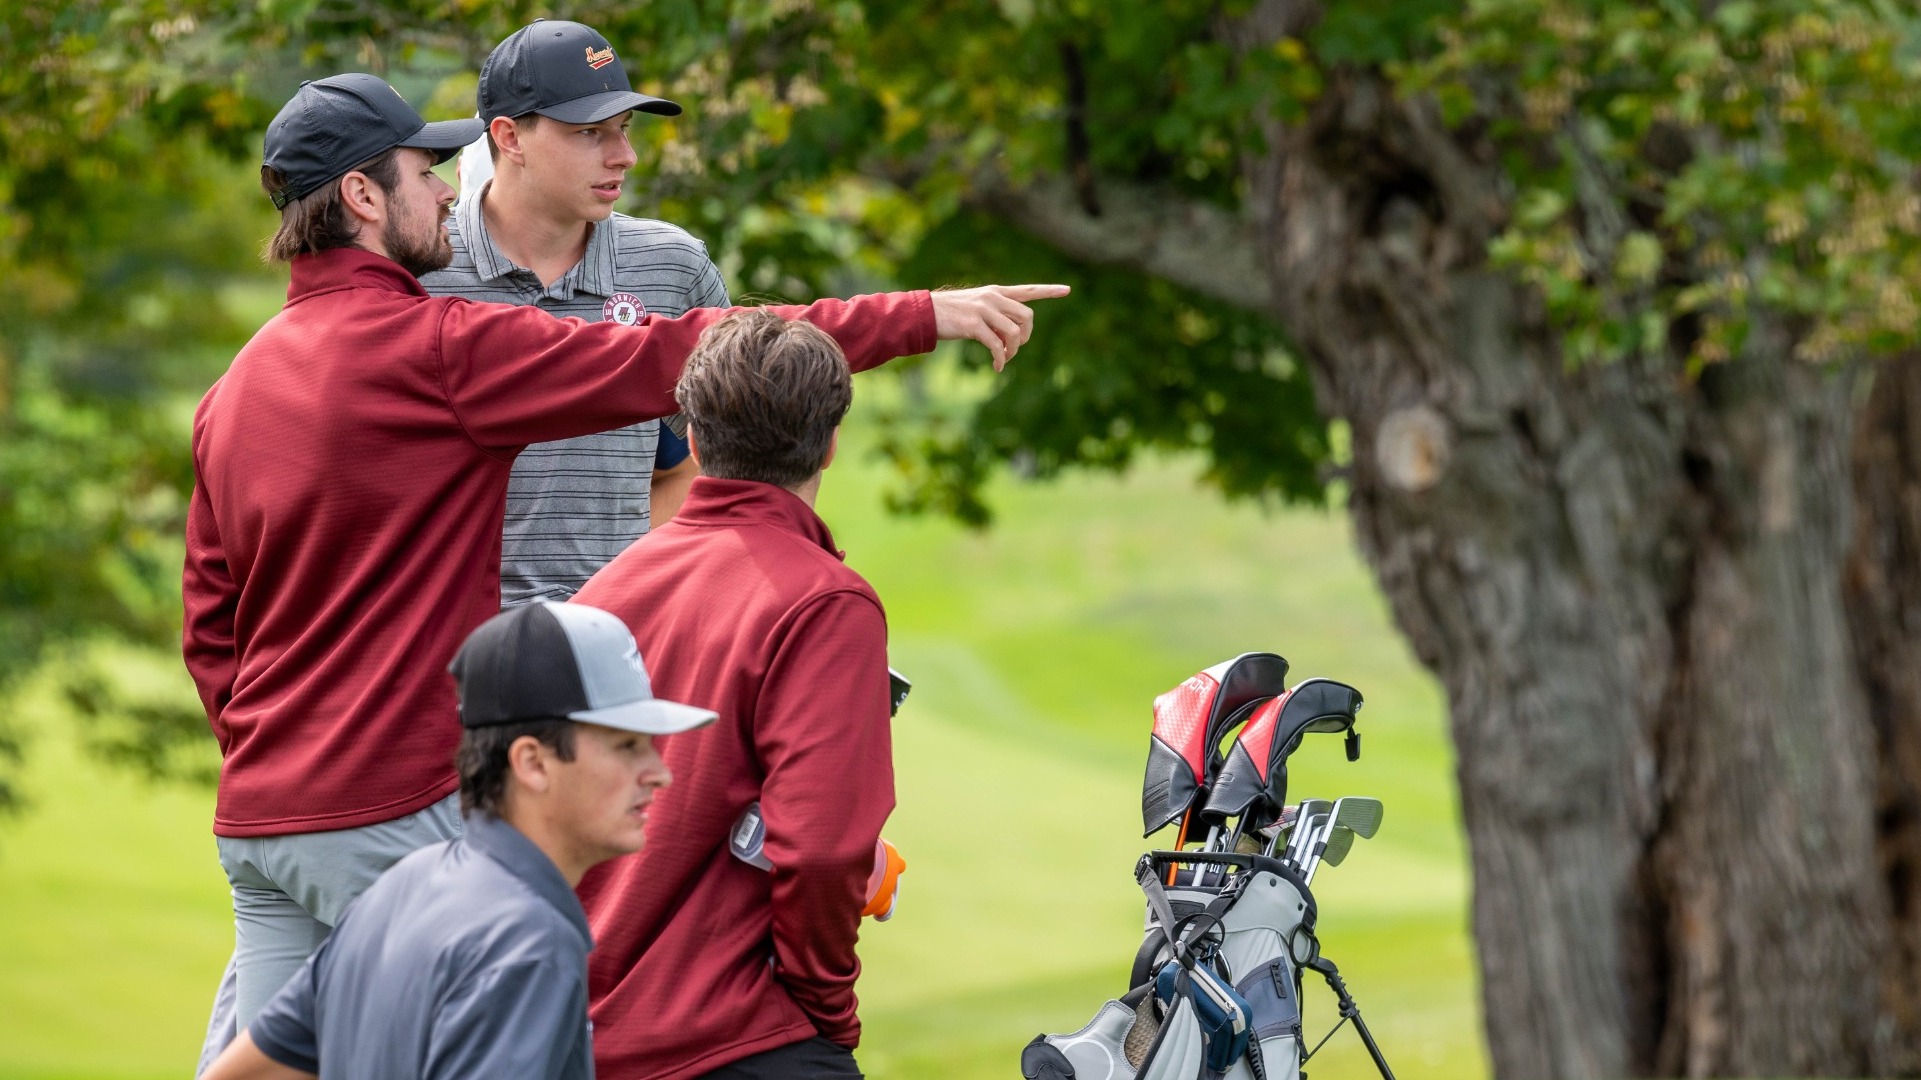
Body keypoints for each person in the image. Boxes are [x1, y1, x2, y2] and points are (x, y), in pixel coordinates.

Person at [183, 70, 1067, 1060]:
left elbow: (209, 630)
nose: (441, 188)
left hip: (260, 821)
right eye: (423, 170)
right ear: (360, 197)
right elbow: (671, 355)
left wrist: (275, 758)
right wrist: (917, 317)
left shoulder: (235, 386)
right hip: (394, 807)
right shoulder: (434, 349)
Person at [571, 311, 903, 1079]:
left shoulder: (603, 591)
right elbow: (820, 846)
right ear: (829, 443)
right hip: (732, 1040)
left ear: (690, 438)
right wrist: (827, 1013)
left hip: (578, 1037)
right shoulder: (825, 603)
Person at [199, 601, 717, 1080]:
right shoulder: (530, 943)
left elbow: (248, 1068)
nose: (659, 773)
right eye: (626, 746)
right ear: (532, 763)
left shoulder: (404, 885)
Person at [421, 20, 719, 607]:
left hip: (619, 653)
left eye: (625, 130)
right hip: (445, 660)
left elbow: (716, 459)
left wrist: (637, 590)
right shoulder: (418, 274)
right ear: (509, 137)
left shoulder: (674, 268)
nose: (625, 156)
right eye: (591, 133)